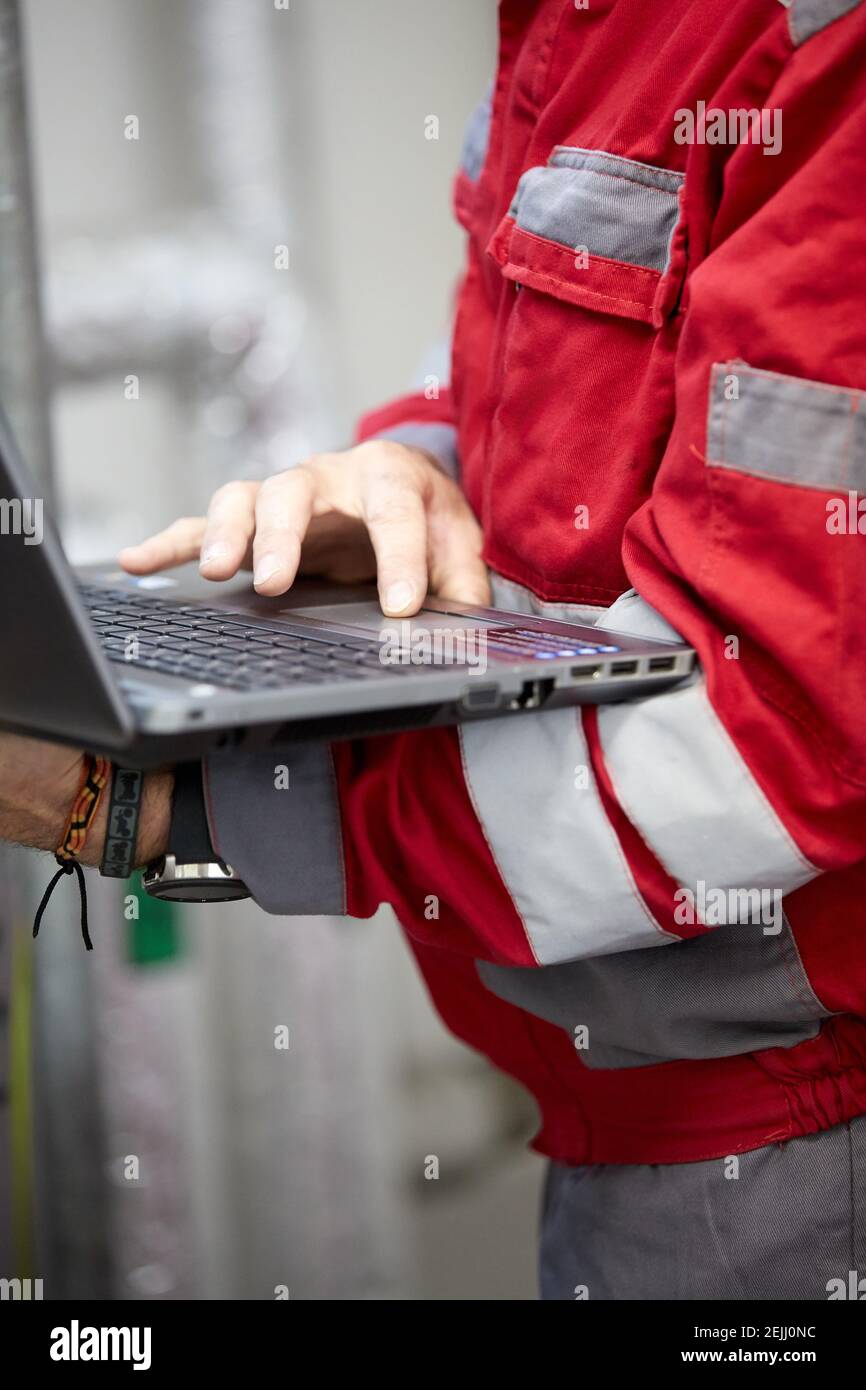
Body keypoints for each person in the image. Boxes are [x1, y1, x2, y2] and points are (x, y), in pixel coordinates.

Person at [3, 0, 866, 1299]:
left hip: (796, 1157)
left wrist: (171, 811)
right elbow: (527, 351)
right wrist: (413, 464)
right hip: (626, 1119)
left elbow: (768, 734)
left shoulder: (822, 42)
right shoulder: (575, 22)